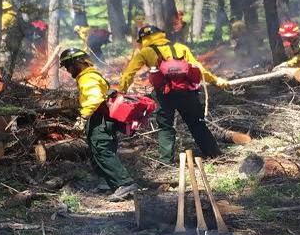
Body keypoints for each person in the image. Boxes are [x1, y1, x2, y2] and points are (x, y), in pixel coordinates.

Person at [119, 24, 230, 163]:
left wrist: (121, 91)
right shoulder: (180, 48)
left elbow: (128, 74)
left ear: (144, 39)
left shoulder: (145, 52)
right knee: (197, 123)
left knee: (166, 127)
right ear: (161, 34)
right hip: (187, 93)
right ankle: (214, 154)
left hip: (163, 95)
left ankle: (166, 162)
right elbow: (199, 68)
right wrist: (216, 80)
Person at [59, 48, 137, 202]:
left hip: (99, 118)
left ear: (77, 63)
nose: (68, 70)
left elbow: (94, 99)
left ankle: (125, 183)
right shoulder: (88, 76)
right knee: (97, 153)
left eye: (68, 65)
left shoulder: (88, 77)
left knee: (103, 151)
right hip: (99, 117)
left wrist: (83, 116)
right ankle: (108, 183)